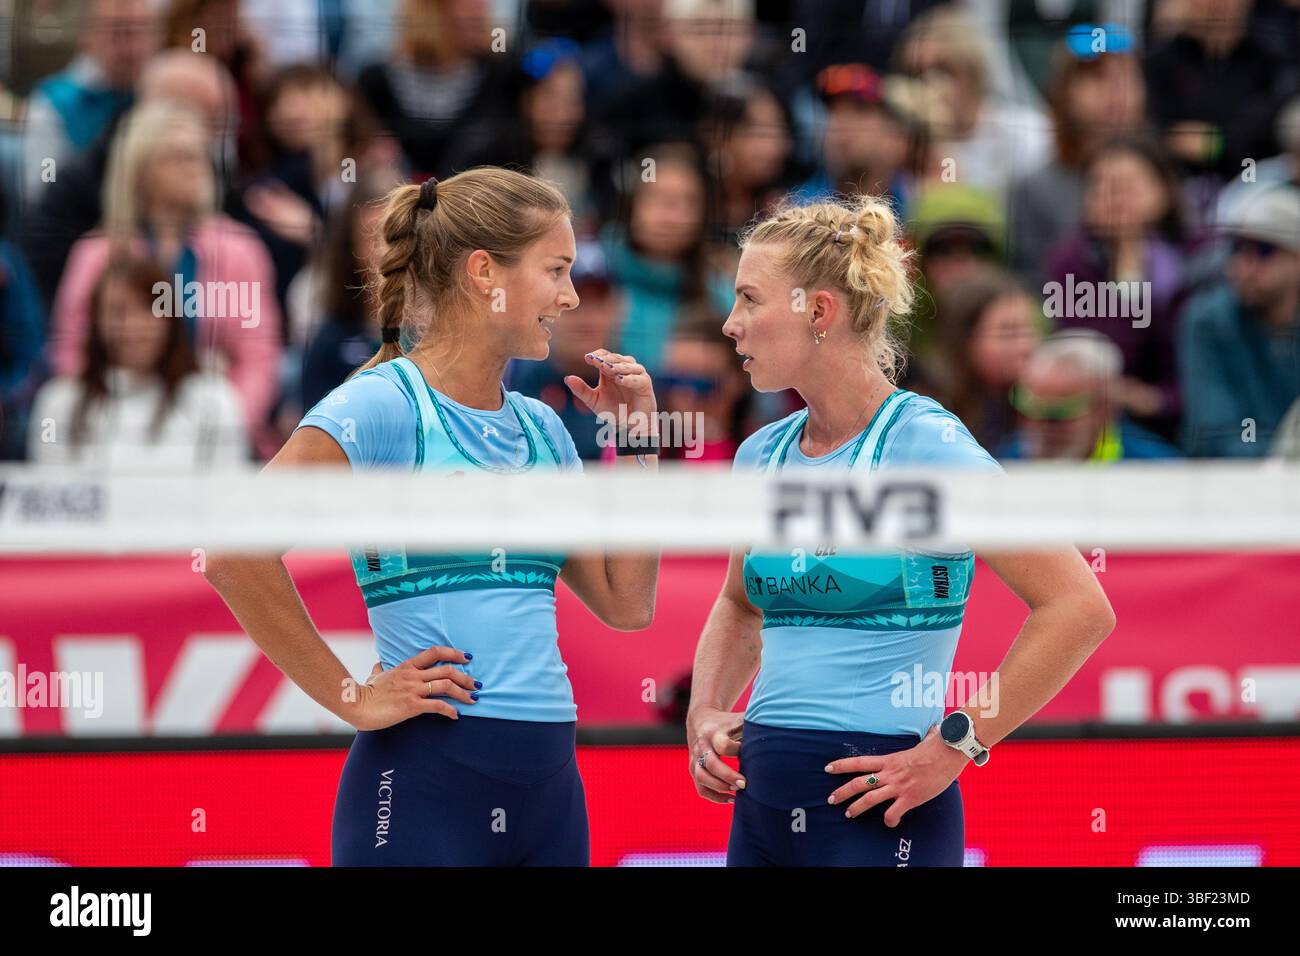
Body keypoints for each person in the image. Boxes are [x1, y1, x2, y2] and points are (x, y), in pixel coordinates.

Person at [202, 167, 661, 866]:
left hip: (549, 785)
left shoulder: (542, 429)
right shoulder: (381, 406)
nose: (570, 298)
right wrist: (353, 695)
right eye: (557, 270)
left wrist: (635, 447)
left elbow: (627, 605)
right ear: (485, 272)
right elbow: (234, 552)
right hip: (424, 779)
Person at [687, 194, 1116, 866]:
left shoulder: (925, 445)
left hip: (879, 809)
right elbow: (741, 602)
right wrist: (704, 711)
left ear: (818, 312)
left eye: (748, 299)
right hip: (763, 804)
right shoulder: (762, 453)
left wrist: (956, 747)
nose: (731, 324)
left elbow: (1078, 608)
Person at [28, 256, 247, 467]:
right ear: (96, 322)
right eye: (117, 312)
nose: (134, 325)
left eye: (148, 309)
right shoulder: (59, 403)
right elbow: (51, 492)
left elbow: (224, 493)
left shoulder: (215, 399)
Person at [1178, 185, 1300, 457]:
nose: (1243, 265)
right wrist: (1286, 461)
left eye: (1264, 250)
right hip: (1229, 489)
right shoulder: (1207, 321)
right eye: (1237, 248)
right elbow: (1216, 437)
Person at [997, 329, 1181, 462]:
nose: (1045, 425)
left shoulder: (1157, 470)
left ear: (1105, 408)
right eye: (1032, 409)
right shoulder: (1001, 466)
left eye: (1059, 414)